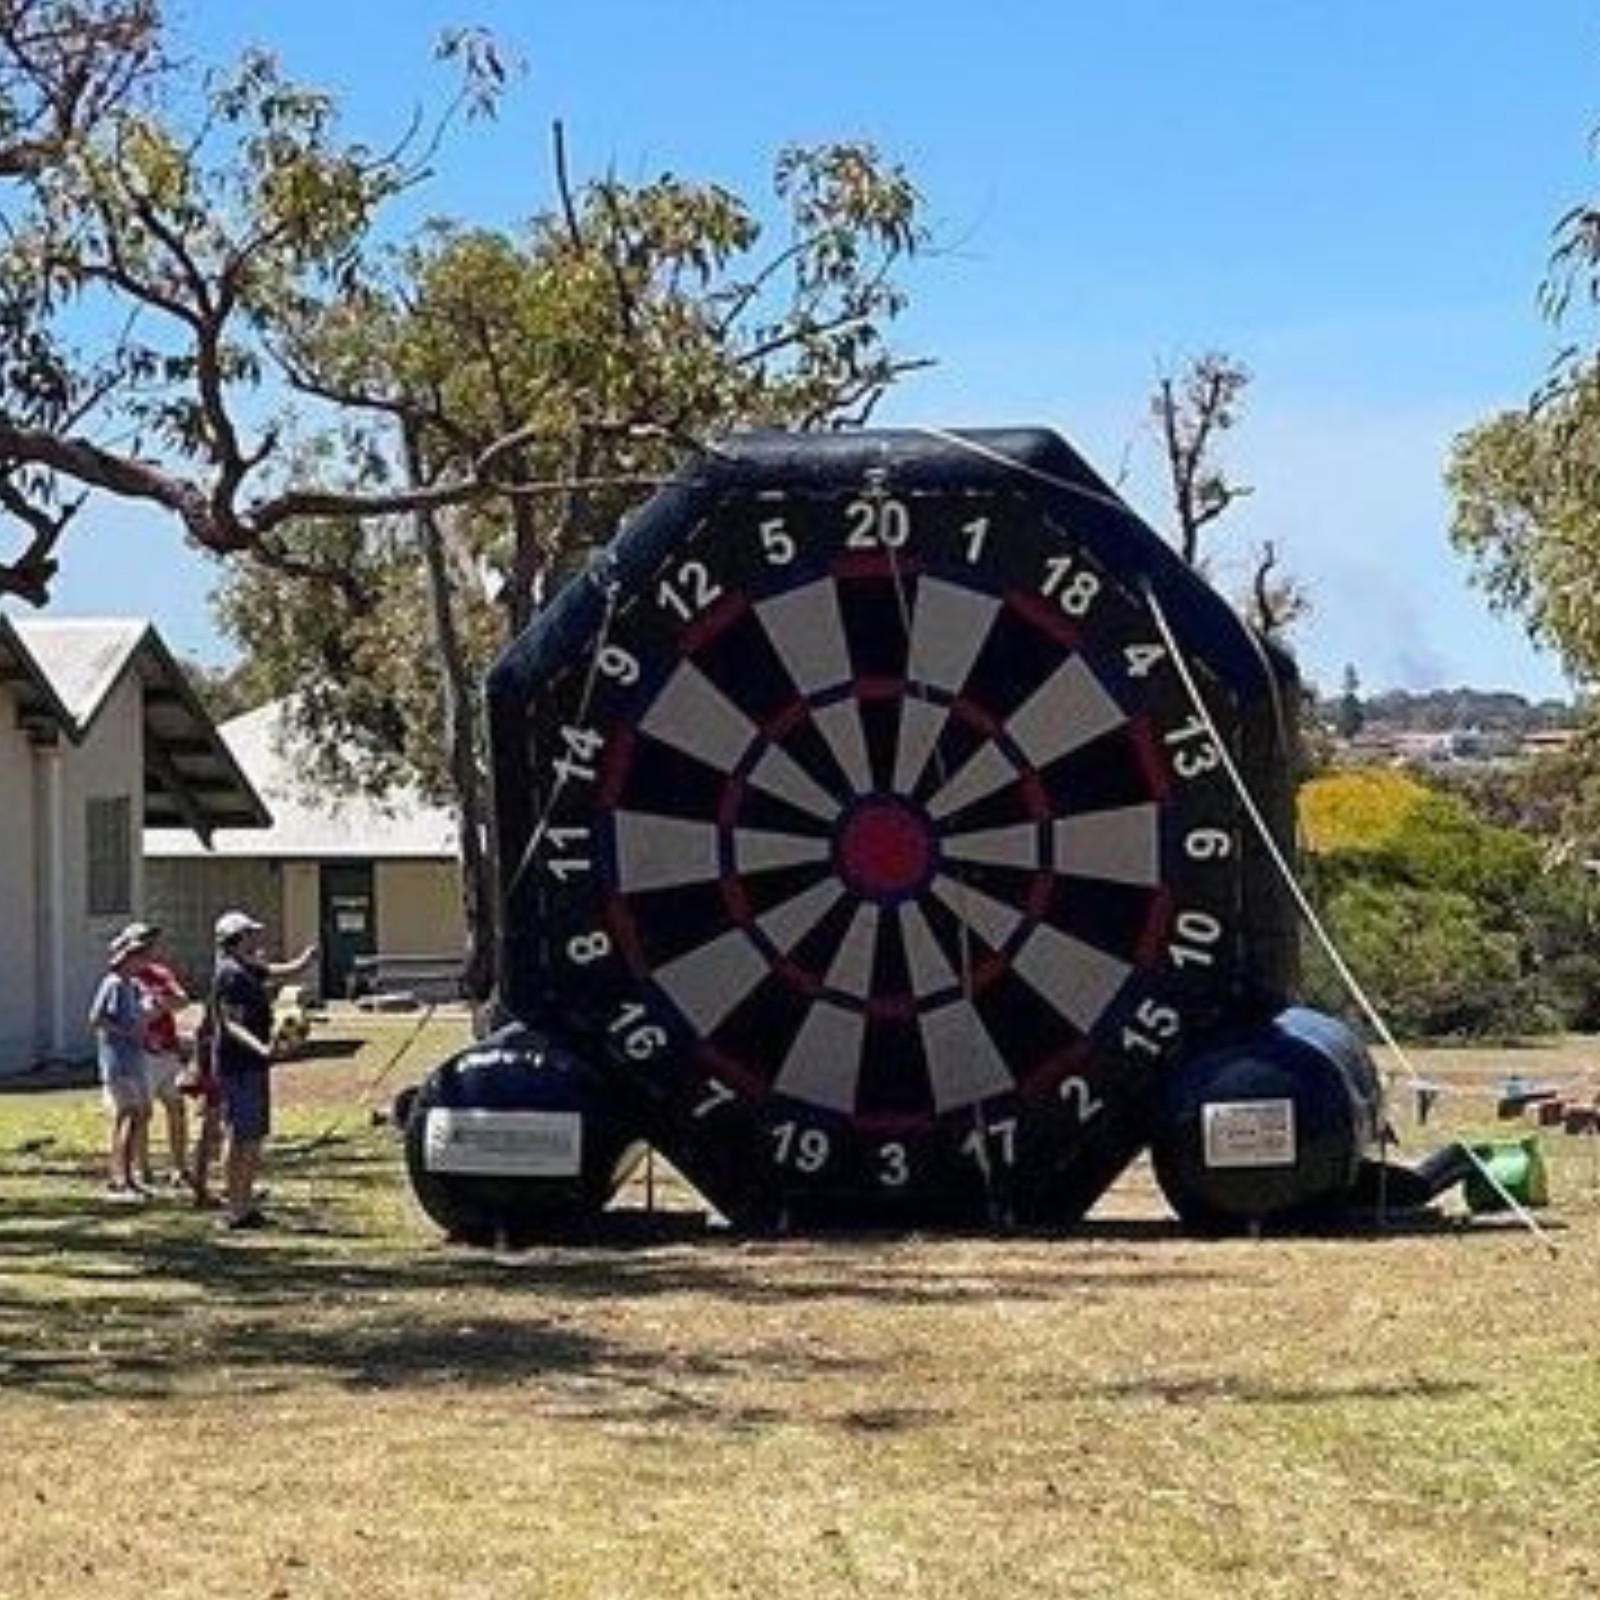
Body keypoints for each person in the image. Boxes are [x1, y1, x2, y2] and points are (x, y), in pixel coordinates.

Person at [210, 909, 317, 1230]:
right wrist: (262, 1048)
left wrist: (305, 961)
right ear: (237, 938)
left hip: (255, 1063)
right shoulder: (229, 974)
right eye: (250, 933)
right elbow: (229, 1023)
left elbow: (279, 972)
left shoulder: (248, 967)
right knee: (239, 1135)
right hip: (237, 1064)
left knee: (254, 1135)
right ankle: (234, 1207)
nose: (256, 937)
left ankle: (246, 1203)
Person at [123, 923, 192, 1190]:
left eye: (150, 943)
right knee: (143, 1113)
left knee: (177, 1107)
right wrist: (158, 1008)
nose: (147, 948)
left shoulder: (160, 973)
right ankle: (143, 1168)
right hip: (142, 1054)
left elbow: (182, 1000)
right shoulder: (125, 979)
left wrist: (161, 1005)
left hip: (167, 1051)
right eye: (142, 943)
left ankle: (179, 1167)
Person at [89, 926, 152, 1201]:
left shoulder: (132, 986)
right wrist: (128, 1032)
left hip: (134, 1059)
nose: (142, 959)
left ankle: (124, 1176)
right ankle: (122, 1179)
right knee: (129, 1114)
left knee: (137, 1115)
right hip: (119, 1061)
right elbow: (97, 1018)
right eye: (136, 954)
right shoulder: (113, 983)